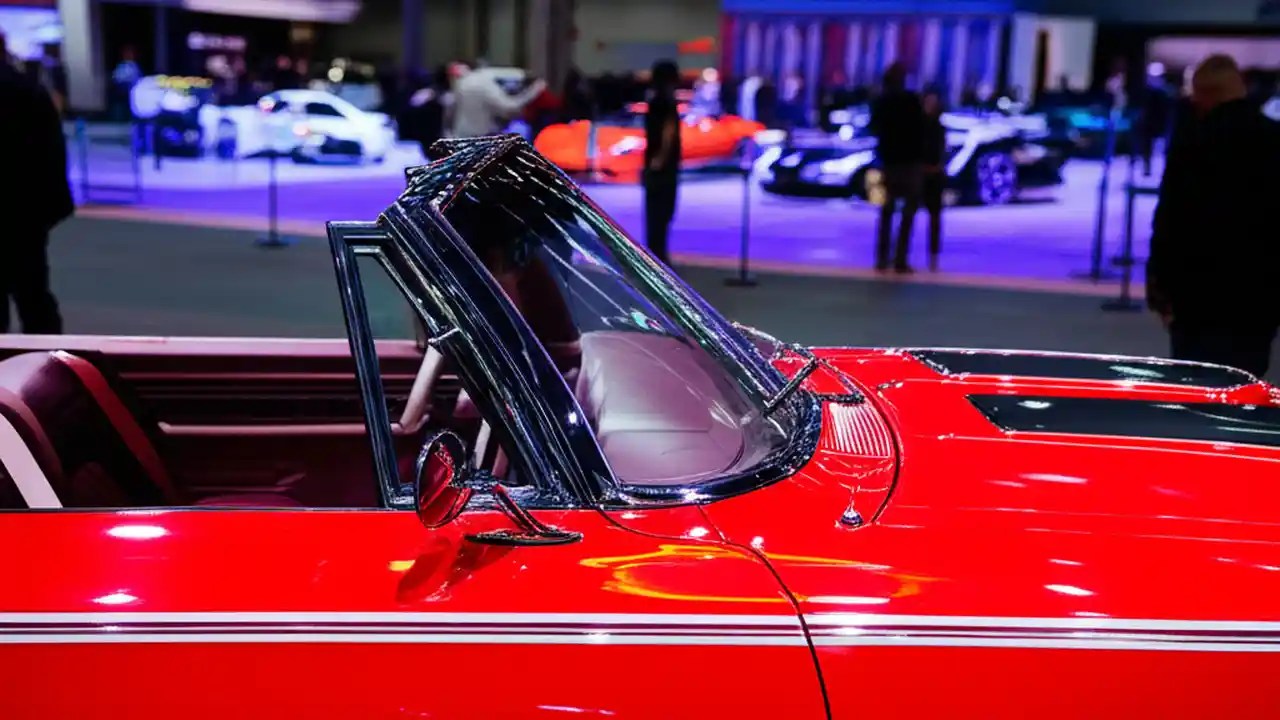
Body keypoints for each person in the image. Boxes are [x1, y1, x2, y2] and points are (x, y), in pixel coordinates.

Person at [1147, 54, 1280, 377]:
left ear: (1202, 95)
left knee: (1194, 382)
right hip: (1257, 293)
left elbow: (1171, 217)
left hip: (1196, 291)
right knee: (1246, 380)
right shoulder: (1274, 139)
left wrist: (1159, 287)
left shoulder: (1193, 141)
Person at [0, 34, 71, 334]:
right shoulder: (30, 92)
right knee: (36, 304)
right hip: (24, 218)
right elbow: (52, 157)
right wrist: (47, 213)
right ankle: (47, 374)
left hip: (24, 214)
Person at [869, 62, 924, 273]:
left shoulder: (881, 102)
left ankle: (882, 258)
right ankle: (900, 258)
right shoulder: (911, 101)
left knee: (886, 210)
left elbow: (874, 128)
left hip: (887, 161)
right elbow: (920, 129)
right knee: (908, 211)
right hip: (909, 161)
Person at [643, 59, 682, 266]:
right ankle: (658, 255)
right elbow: (669, 132)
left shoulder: (655, 101)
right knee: (662, 211)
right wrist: (661, 158)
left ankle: (656, 252)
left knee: (655, 211)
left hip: (655, 162)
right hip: (663, 166)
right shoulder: (665, 102)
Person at [448, 62, 546, 138]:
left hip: (461, 134)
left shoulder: (462, 83)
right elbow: (510, 106)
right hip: (480, 137)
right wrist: (534, 90)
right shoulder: (484, 82)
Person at [920, 89, 947, 272]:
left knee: (935, 216)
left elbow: (941, 150)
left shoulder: (938, 127)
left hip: (933, 174)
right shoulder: (921, 127)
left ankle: (933, 253)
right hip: (921, 172)